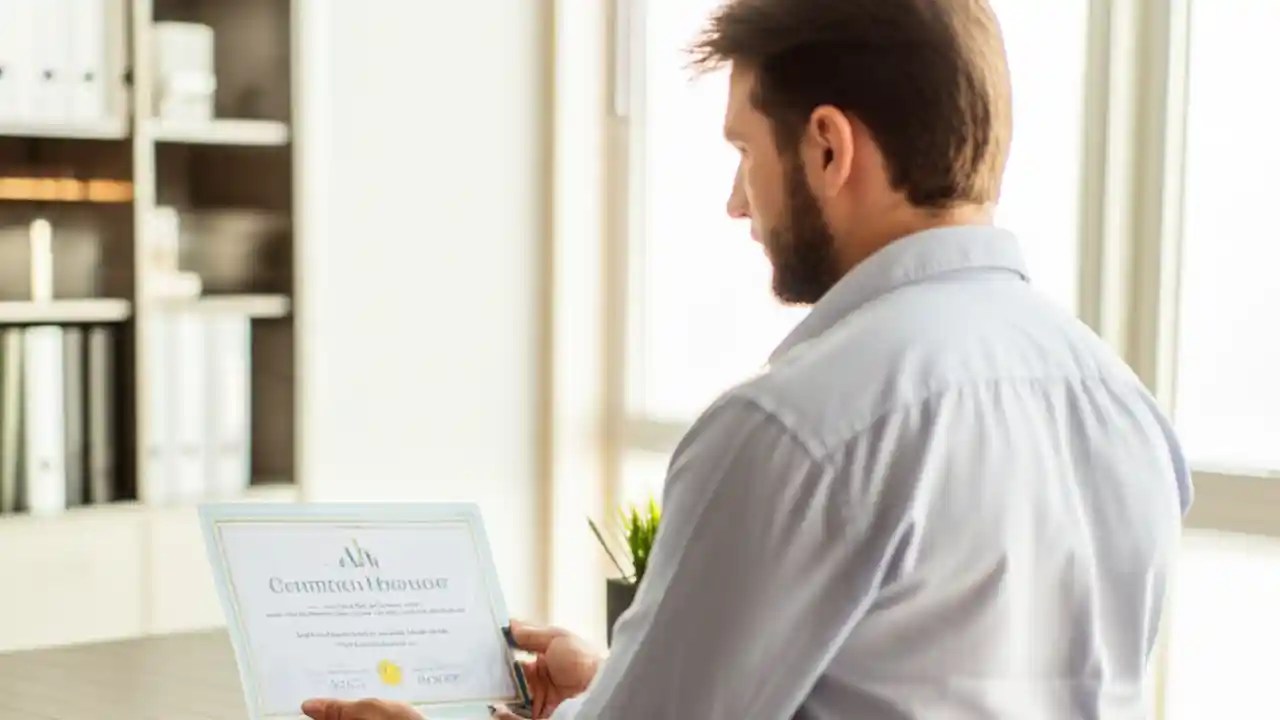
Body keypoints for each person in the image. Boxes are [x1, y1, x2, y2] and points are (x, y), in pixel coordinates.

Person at [302, 0, 1192, 717]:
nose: (737, 202)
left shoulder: (798, 428)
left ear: (828, 147)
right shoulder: (1123, 408)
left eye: (743, 150)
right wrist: (616, 685)